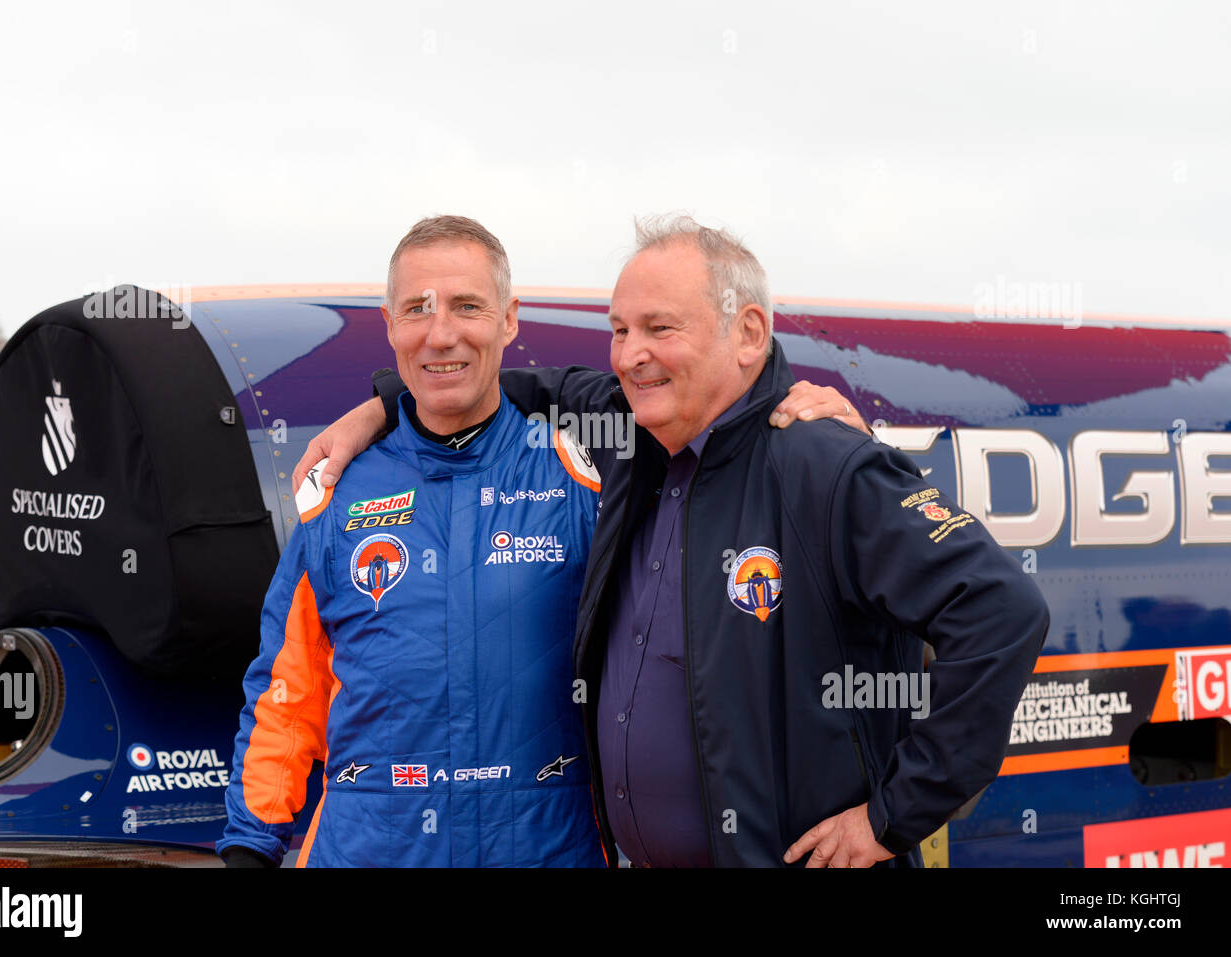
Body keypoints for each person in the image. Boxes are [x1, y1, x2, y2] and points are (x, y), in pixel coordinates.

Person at [300, 214, 1048, 868]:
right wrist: (380, 405)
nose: (629, 355)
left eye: (660, 328)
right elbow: (515, 384)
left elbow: (1000, 609)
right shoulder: (636, 433)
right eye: (620, 330)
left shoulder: (822, 461)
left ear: (748, 334)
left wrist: (893, 816)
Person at [223, 214, 861, 867]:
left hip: (552, 848)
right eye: (417, 309)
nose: (441, 332)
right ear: (389, 324)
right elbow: (284, 690)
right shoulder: (336, 490)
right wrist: (250, 842)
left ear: (509, 319)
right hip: (369, 849)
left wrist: (800, 416)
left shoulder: (589, 469)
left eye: (468, 306)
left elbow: (710, 412)